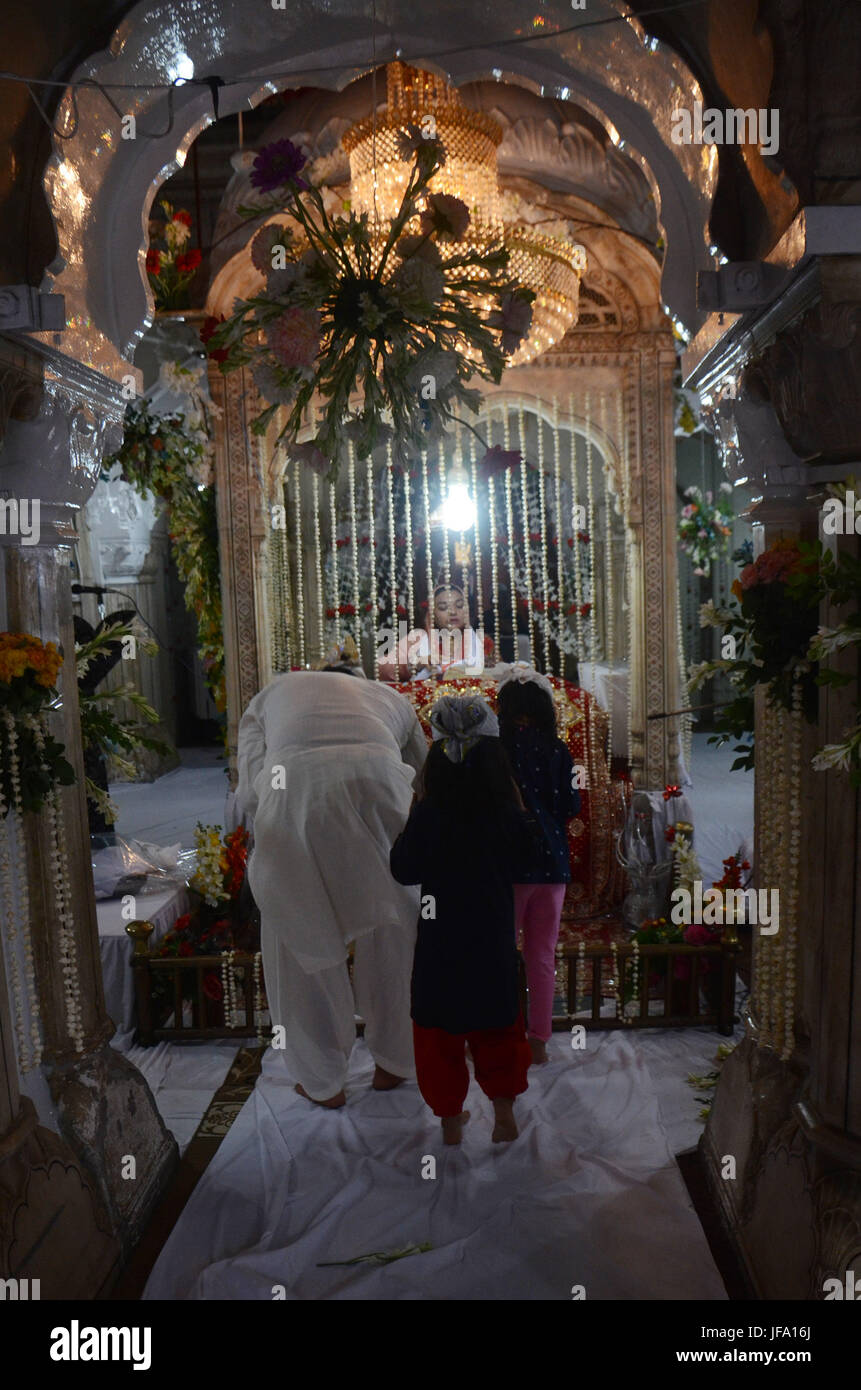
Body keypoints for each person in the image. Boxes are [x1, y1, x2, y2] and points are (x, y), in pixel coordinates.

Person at [236, 646, 428, 1108]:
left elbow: (248, 789)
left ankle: (322, 1081)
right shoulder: (390, 697)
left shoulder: (270, 693)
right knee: (396, 926)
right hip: (380, 780)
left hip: (293, 785)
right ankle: (395, 1062)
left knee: (299, 934)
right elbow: (426, 777)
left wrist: (277, 836)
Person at [389, 694, 539, 1145]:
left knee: (438, 1034)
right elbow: (531, 860)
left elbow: (403, 868)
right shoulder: (503, 812)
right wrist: (520, 811)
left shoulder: (432, 813)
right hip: (491, 936)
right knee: (499, 1026)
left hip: (440, 945)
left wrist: (416, 813)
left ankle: (451, 1122)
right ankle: (504, 1113)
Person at [496, 663, 580, 1065]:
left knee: (497, 952)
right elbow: (570, 805)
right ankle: (539, 1042)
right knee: (542, 955)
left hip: (509, 866)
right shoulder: (558, 749)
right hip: (553, 865)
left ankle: (494, 1036)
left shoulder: (495, 750)